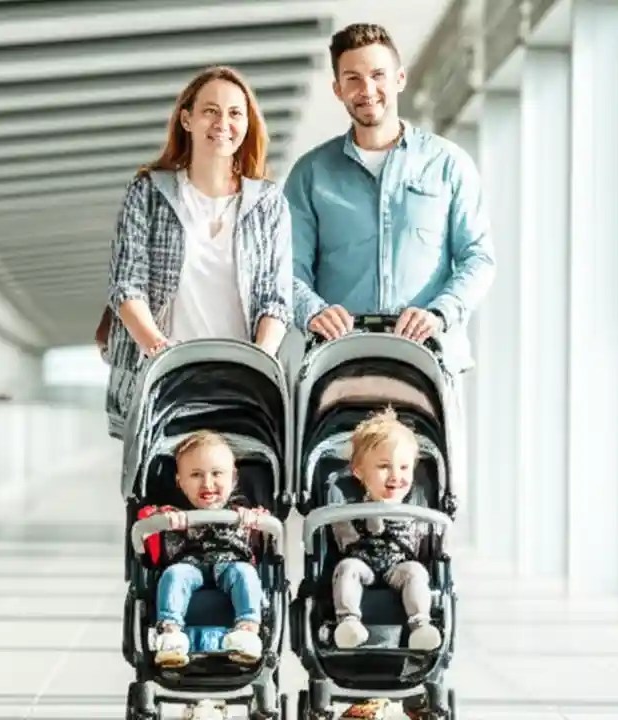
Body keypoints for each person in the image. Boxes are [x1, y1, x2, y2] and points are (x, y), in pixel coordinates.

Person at [284, 23, 495, 376]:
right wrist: (314, 311)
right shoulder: (310, 174)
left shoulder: (448, 164)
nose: (367, 89)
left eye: (377, 75)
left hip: (429, 364)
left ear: (399, 78)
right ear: (337, 89)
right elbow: (287, 268)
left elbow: (479, 258)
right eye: (352, 78)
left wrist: (439, 313)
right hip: (339, 368)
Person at [103, 66, 293, 438]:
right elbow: (127, 285)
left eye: (235, 113)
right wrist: (160, 353)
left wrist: (257, 365)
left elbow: (276, 301)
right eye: (210, 110)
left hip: (240, 393)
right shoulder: (148, 193)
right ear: (186, 119)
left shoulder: (268, 203)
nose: (223, 122)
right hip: (163, 386)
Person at [140, 430, 270, 667]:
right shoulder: (173, 513)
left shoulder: (243, 512)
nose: (207, 483)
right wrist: (163, 520)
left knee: (245, 574)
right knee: (173, 575)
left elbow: (269, 531)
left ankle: (248, 630)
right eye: (196, 475)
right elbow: (144, 527)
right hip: (188, 565)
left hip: (232, 564)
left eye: (217, 474)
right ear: (180, 481)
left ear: (233, 478)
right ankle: (170, 633)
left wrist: (255, 520)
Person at [331, 407, 441, 652]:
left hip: (398, 566)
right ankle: (348, 622)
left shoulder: (417, 508)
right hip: (363, 564)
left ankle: (420, 624)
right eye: (383, 467)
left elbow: (427, 539)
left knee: (416, 571)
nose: (395, 476)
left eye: (404, 468)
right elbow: (343, 539)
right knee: (346, 568)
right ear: (359, 472)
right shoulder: (349, 507)